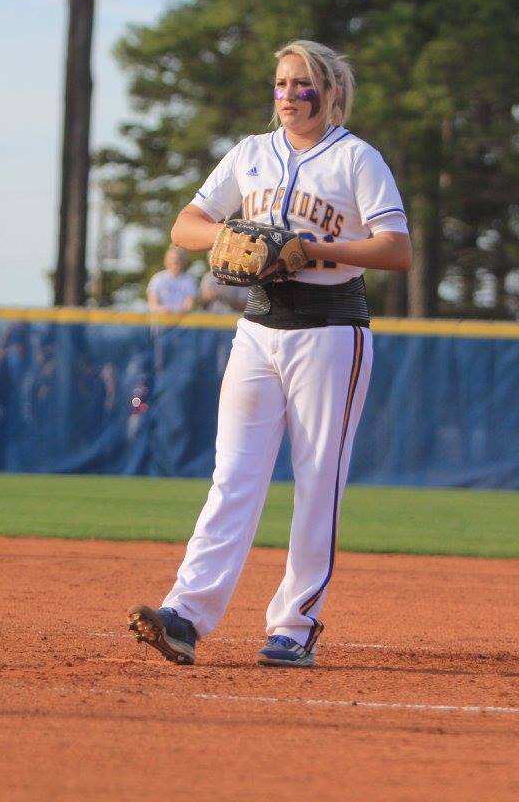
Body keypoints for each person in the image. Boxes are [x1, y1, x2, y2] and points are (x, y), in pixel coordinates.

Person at [127, 40, 412, 668]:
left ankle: (295, 623)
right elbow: (187, 225)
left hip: (331, 332)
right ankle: (186, 614)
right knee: (234, 475)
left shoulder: (356, 160)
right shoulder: (251, 154)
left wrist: (313, 249)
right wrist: (234, 234)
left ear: (330, 90)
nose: (287, 95)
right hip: (257, 327)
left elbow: (396, 249)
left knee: (317, 482)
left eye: (301, 83)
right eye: (281, 83)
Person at [146, 245, 198, 313]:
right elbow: (152, 304)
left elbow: (189, 304)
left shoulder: (189, 280)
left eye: (178, 260)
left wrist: (178, 312)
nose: (175, 262)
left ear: (183, 261)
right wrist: (163, 310)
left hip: (182, 321)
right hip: (161, 321)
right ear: (166, 260)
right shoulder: (157, 278)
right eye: (172, 259)